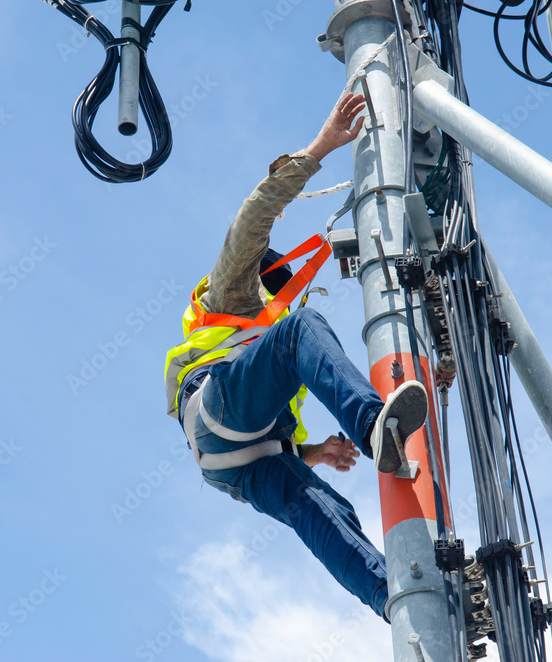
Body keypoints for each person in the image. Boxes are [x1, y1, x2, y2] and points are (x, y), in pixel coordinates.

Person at [163, 93, 429, 621]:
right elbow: (255, 215)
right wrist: (322, 146)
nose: (283, 300)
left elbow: (260, 431)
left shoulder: (268, 339)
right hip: (219, 414)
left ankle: (393, 602)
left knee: (324, 511)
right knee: (303, 330)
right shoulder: (230, 292)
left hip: (236, 462)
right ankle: (373, 426)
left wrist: (312, 454)